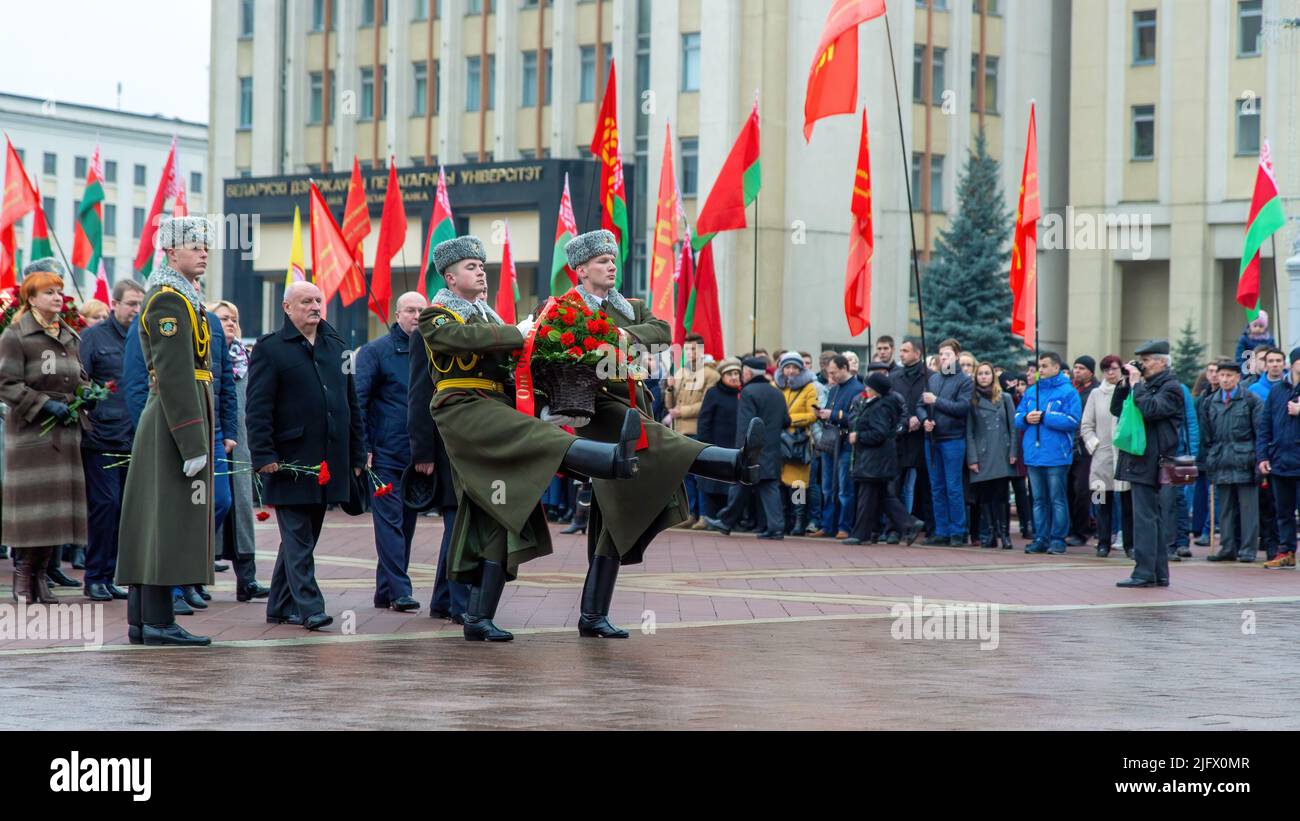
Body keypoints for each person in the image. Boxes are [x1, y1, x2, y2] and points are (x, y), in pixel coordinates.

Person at [417, 234, 645, 641]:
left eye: (481, 266)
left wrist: (544, 402)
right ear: (450, 279)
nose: (480, 272)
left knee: (501, 516)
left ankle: (477, 618)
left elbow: (512, 372)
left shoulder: (489, 317)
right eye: (471, 267)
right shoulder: (436, 316)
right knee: (536, 439)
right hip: (462, 409)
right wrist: (518, 332)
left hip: (495, 408)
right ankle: (609, 460)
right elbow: (462, 342)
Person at [564, 230, 760, 635]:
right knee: (663, 448)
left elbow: (662, 330)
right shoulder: (566, 309)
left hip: (634, 408)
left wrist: (624, 336)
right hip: (597, 410)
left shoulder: (628, 307)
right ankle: (731, 464)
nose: (611, 267)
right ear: (581, 270)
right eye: (602, 262)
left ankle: (592, 615)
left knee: (615, 516)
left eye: (614, 260)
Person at [114, 218, 218, 645]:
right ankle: (156, 622)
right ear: (171, 253)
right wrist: (193, 439)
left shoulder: (181, 296)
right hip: (175, 423)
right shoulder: (169, 300)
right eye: (195, 246)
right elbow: (174, 374)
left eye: (206, 246)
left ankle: (145, 621)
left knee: (155, 520)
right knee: (166, 521)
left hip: (174, 419)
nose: (204, 252)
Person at [246, 281, 366, 632]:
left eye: (318, 300)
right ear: (287, 307)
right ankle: (310, 607)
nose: (315, 306)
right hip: (289, 460)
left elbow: (351, 404)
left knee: (303, 537)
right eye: (306, 301)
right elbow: (257, 408)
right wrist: (263, 453)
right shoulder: (270, 349)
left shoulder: (338, 346)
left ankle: (279, 605)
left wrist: (358, 453)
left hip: (329, 460)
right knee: (298, 537)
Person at [0, 259, 91, 604]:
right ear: (31, 297)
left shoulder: (68, 334)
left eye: (59, 291)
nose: (57, 297)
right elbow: (6, 383)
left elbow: (77, 375)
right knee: (34, 510)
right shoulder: (16, 334)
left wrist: (88, 395)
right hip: (31, 436)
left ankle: (40, 576)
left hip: (64, 433)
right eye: (49, 292)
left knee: (56, 510)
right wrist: (41, 404)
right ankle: (23, 576)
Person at [355, 291, 428, 612]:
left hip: (417, 454)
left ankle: (385, 591)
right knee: (390, 522)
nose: (415, 316)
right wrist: (363, 448)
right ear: (397, 314)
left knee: (407, 522)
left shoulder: (431, 350)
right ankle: (400, 591)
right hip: (384, 453)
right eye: (410, 310)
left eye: (421, 311)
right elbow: (358, 401)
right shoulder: (376, 351)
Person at [77, 278, 145, 601]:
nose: (136, 310)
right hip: (102, 437)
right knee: (106, 505)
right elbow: (79, 381)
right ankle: (94, 576)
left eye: (140, 304)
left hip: (134, 437)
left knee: (124, 511)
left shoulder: (143, 339)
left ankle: (109, 575)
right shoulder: (93, 338)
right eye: (131, 303)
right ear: (114, 304)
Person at [406, 308, 469, 621]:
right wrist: (423, 452)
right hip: (444, 445)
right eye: (471, 268)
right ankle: (462, 605)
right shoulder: (427, 334)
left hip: (474, 442)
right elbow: (419, 393)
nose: (482, 278)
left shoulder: (485, 325)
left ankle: (444, 600)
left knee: (459, 524)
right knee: (457, 523)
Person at [210, 300, 270, 601]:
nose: (230, 323)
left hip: (242, 446)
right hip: (213, 440)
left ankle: (247, 580)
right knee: (213, 507)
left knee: (243, 511)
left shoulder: (246, 359)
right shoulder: (206, 357)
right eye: (223, 318)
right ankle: (196, 577)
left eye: (234, 318)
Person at [1112, 339, 1183, 588]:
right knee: (1150, 516)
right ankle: (1157, 573)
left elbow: (1151, 410)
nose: (1142, 365)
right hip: (1142, 459)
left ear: (1162, 361)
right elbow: (1117, 410)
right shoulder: (1146, 385)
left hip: (1156, 460)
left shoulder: (1171, 387)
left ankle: (1144, 573)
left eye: (1147, 360)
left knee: (1146, 517)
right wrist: (1124, 384)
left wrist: (1136, 385)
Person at [702, 356, 787, 538]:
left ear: (748, 372)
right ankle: (775, 526)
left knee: (740, 484)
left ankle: (726, 521)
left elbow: (745, 425)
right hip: (772, 449)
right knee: (767, 486)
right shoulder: (777, 392)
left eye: (743, 372)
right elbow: (786, 421)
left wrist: (741, 451)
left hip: (753, 451)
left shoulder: (748, 392)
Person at [1014, 351, 1082, 555]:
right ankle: (1040, 537)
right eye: (1039, 366)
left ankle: (1058, 539)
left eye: (1044, 366)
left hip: (1056, 455)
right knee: (1038, 500)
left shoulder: (1068, 392)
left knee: (1057, 498)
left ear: (1056, 368)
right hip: (1034, 454)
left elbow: (1072, 421)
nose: (1040, 370)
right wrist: (1026, 418)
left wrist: (1045, 417)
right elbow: (1017, 417)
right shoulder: (1031, 392)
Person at [844, 372, 922, 545]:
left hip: (874, 460)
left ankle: (860, 534)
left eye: (869, 387)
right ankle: (909, 524)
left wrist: (859, 436)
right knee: (884, 497)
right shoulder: (879, 403)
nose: (866, 389)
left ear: (876, 390)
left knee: (867, 497)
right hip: (876, 460)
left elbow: (880, 433)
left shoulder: (880, 406)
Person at [1198, 359, 1262, 562]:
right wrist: (1210, 457)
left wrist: (1259, 460)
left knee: (1248, 508)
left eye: (1229, 376)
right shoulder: (1210, 402)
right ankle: (1227, 547)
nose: (1224, 379)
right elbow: (1206, 435)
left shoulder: (1251, 400)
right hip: (1221, 459)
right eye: (1221, 375)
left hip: (1245, 459)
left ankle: (1248, 549)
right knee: (1224, 508)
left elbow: (1259, 432)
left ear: (1238, 377)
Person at [918, 339, 974, 546]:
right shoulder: (932, 379)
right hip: (932, 439)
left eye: (948, 354)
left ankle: (958, 530)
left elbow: (962, 408)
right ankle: (941, 530)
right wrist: (925, 420)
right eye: (941, 354)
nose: (943, 358)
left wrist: (936, 401)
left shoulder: (964, 380)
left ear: (957, 356)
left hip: (953, 439)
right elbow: (920, 405)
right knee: (937, 487)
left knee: (953, 487)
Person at [662, 333, 719, 526]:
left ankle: (704, 515)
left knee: (701, 474)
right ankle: (689, 514)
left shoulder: (711, 374)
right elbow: (670, 404)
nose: (690, 352)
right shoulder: (680, 373)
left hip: (697, 429)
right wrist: (669, 389)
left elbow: (707, 404)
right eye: (687, 349)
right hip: (680, 431)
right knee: (685, 475)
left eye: (694, 348)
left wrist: (682, 411)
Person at [1080, 355, 1133, 558]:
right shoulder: (1096, 394)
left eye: (1114, 369)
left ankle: (1130, 544)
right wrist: (1094, 445)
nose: (1110, 373)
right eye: (1106, 370)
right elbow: (1086, 425)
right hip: (1101, 459)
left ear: (1121, 370)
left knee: (1127, 504)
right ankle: (1102, 541)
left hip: (1125, 458)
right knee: (1100, 501)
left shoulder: (1129, 391)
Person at [1255, 347, 1300, 569]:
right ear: (1291, 364)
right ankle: (1287, 550)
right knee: (1283, 510)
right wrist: (1263, 455)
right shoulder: (1277, 390)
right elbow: (1265, 425)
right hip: (1280, 459)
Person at [966, 362, 1019, 549]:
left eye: (987, 373)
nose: (983, 376)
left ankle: (1005, 535)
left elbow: (1013, 427)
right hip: (983, 454)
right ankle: (990, 533)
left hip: (1002, 453)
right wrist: (972, 458)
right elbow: (969, 432)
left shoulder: (1005, 398)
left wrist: (1013, 451)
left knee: (1002, 496)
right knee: (985, 497)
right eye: (980, 373)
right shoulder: (972, 401)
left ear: (993, 376)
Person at [810, 354, 862, 538]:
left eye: (833, 372)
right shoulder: (833, 389)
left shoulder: (857, 389)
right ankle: (827, 524)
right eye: (828, 373)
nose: (831, 376)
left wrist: (833, 415)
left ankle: (844, 526)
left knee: (844, 489)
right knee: (827, 487)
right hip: (830, 442)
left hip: (846, 443)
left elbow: (856, 419)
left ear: (844, 368)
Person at [890, 338, 933, 538]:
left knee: (925, 486)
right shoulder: (895, 377)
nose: (901, 354)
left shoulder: (930, 377)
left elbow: (931, 403)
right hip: (901, 438)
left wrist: (921, 417)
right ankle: (894, 529)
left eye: (905, 351)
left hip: (923, 438)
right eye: (901, 350)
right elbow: (890, 406)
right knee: (894, 486)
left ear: (917, 353)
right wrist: (906, 421)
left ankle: (929, 528)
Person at [775, 351, 818, 534]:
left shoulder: (809, 388)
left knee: (799, 484)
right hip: (779, 441)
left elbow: (813, 415)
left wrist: (790, 419)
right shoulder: (776, 386)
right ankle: (785, 521)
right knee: (781, 484)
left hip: (798, 442)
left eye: (794, 367)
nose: (790, 371)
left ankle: (799, 521)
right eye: (787, 367)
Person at [695, 358, 743, 523]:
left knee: (731, 486)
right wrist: (706, 444)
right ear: (722, 376)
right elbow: (704, 420)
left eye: (737, 373)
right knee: (712, 485)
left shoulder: (742, 394)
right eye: (730, 373)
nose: (734, 377)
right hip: (715, 446)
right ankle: (710, 518)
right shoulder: (713, 393)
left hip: (736, 447)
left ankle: (728, 520)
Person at [1066, 355, 1100, 546]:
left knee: (1085, 491)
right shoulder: (1070, 390)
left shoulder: (1095, 391)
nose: (1077, 371)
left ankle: (1083, 530)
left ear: (1091, 372)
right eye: (1075, 367)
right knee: (1069, 489)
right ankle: (1073, 528)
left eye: (1081, 368)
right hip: (1069, 447)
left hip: (1087, 448)